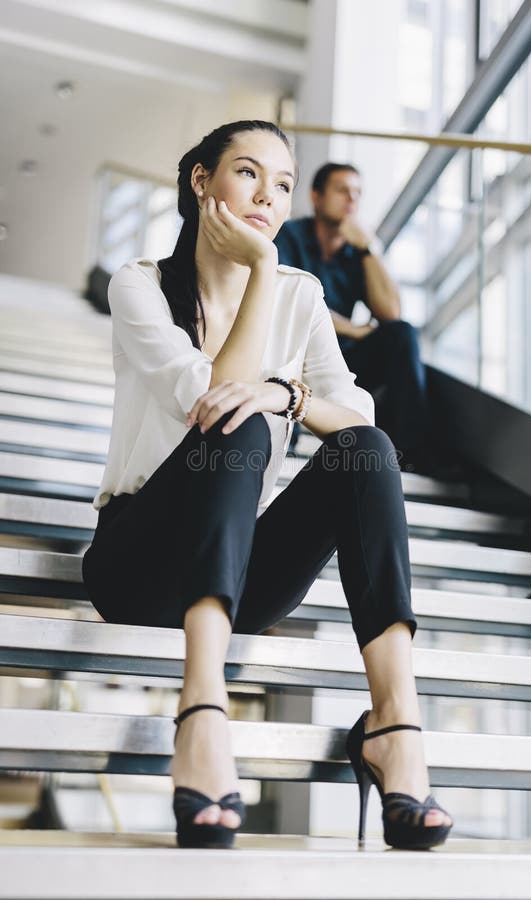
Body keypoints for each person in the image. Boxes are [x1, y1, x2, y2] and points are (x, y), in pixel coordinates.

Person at [82, 121, 452, 851]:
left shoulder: (300, 294)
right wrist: (259, 271)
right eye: (248, 174)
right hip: (139, 562)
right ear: (200, 182)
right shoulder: (142, 285)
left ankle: (394, 723)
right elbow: (214, 396)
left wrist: (291, 396)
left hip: (242, 566)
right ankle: (204, 709)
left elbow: (359, 410)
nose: (267, 196)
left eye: (282, 184)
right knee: (241, 417)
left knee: (364, 447)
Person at [274, 163, 433, 471]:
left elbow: (390, 313)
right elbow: (293, 300)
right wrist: (355, 331)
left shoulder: (355, 252)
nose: (352, 200)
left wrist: (368, 249)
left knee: (402, 334)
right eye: (342, 190)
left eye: (358, 193)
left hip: (341, 362)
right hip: (294, 354)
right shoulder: (288, 236)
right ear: (316, 197)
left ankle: (410, 454)